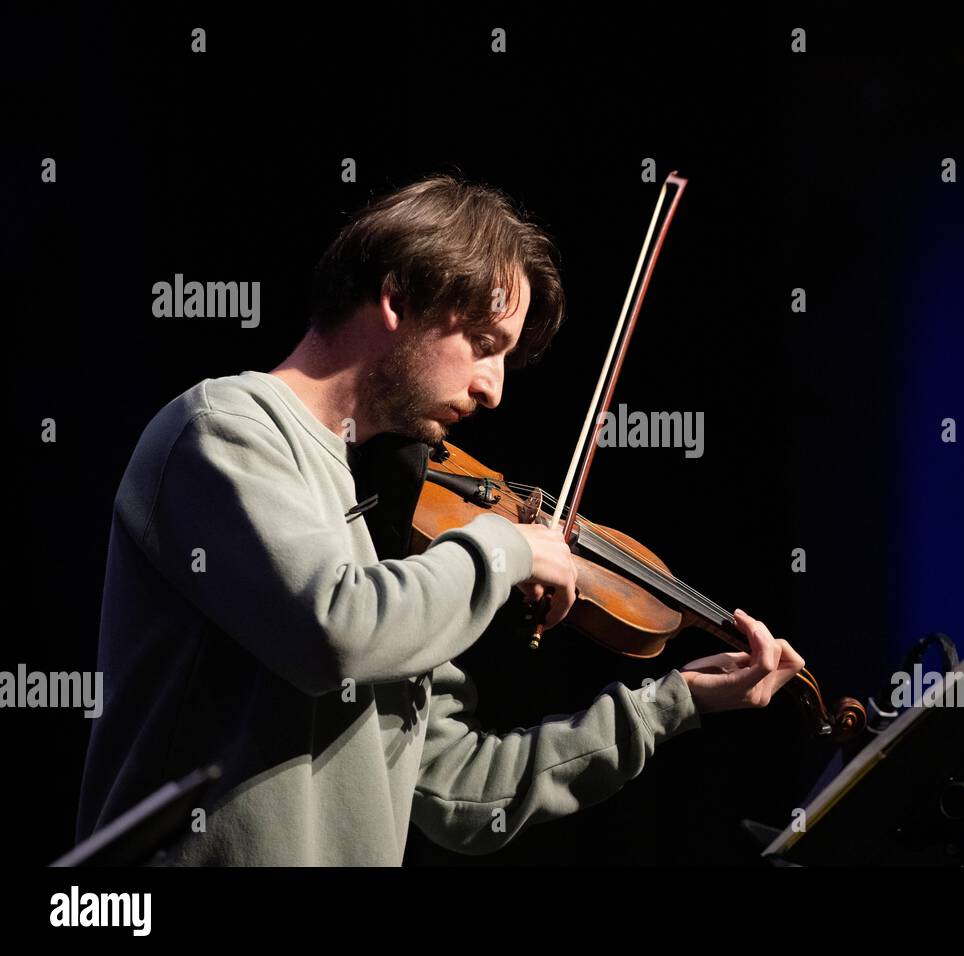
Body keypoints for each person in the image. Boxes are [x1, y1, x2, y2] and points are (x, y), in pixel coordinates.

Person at [75, 173, 806, 865]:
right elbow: (333, 632)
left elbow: (455, 790)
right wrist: (505, 549)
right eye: (483, 346)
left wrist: (671, 706)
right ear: (397, 298)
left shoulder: (378, 529)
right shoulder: (224, 429)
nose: (493, 391)